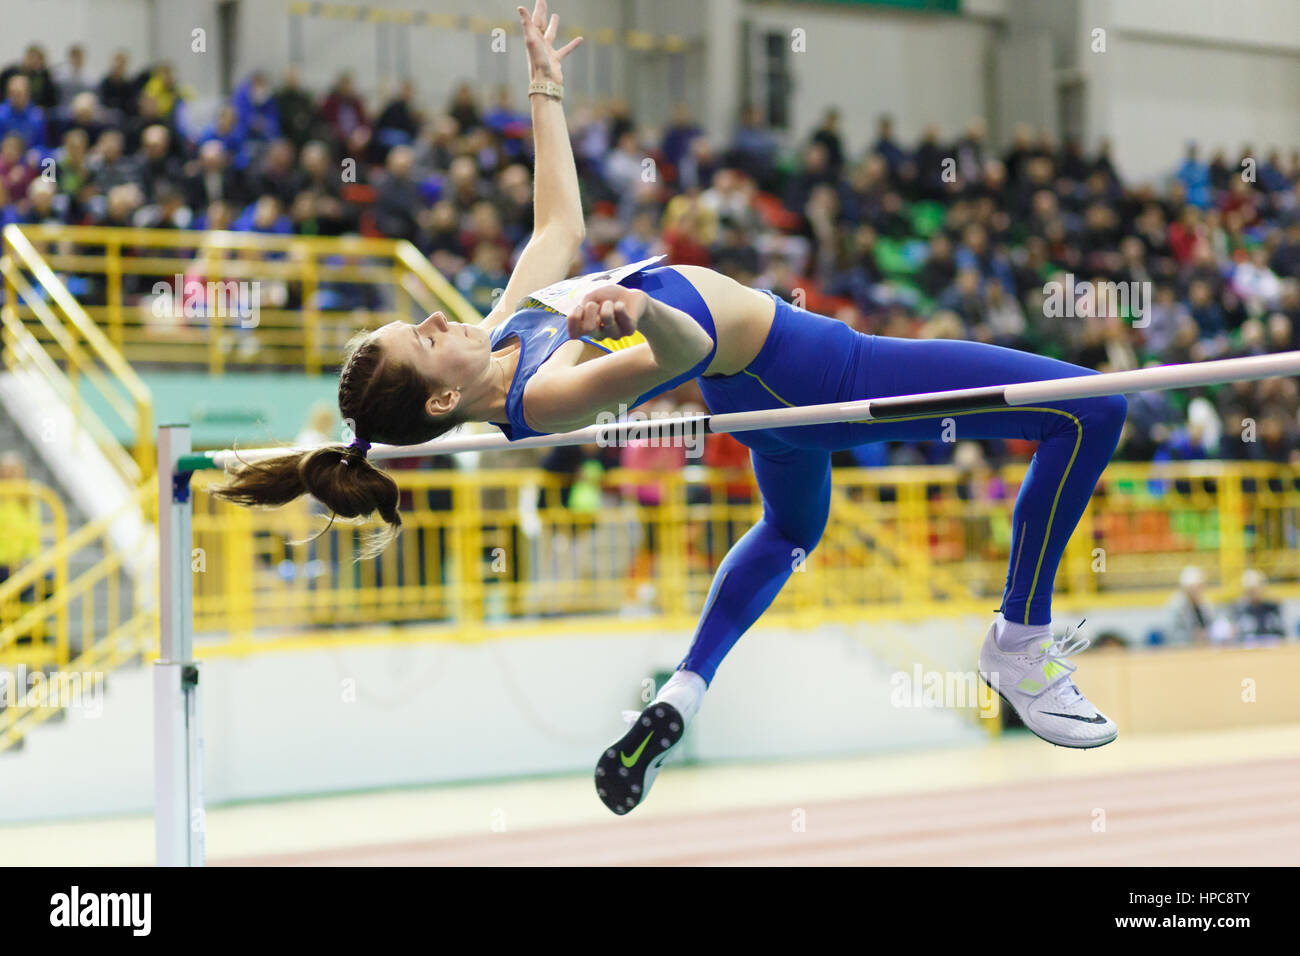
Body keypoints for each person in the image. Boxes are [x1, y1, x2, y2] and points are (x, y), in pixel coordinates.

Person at [215, 0, 1127, 816]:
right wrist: (642, 312)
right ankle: (1020, 633)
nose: (429, 314)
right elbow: (682, 358)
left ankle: (682, 693)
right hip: (826, 376)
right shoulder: (543, 396)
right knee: (1089, 408)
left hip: (768, 391)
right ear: (445, 395)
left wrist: (545, 90)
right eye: (418, 336)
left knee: (790, 530)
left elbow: (557, 230)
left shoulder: (503, 330)